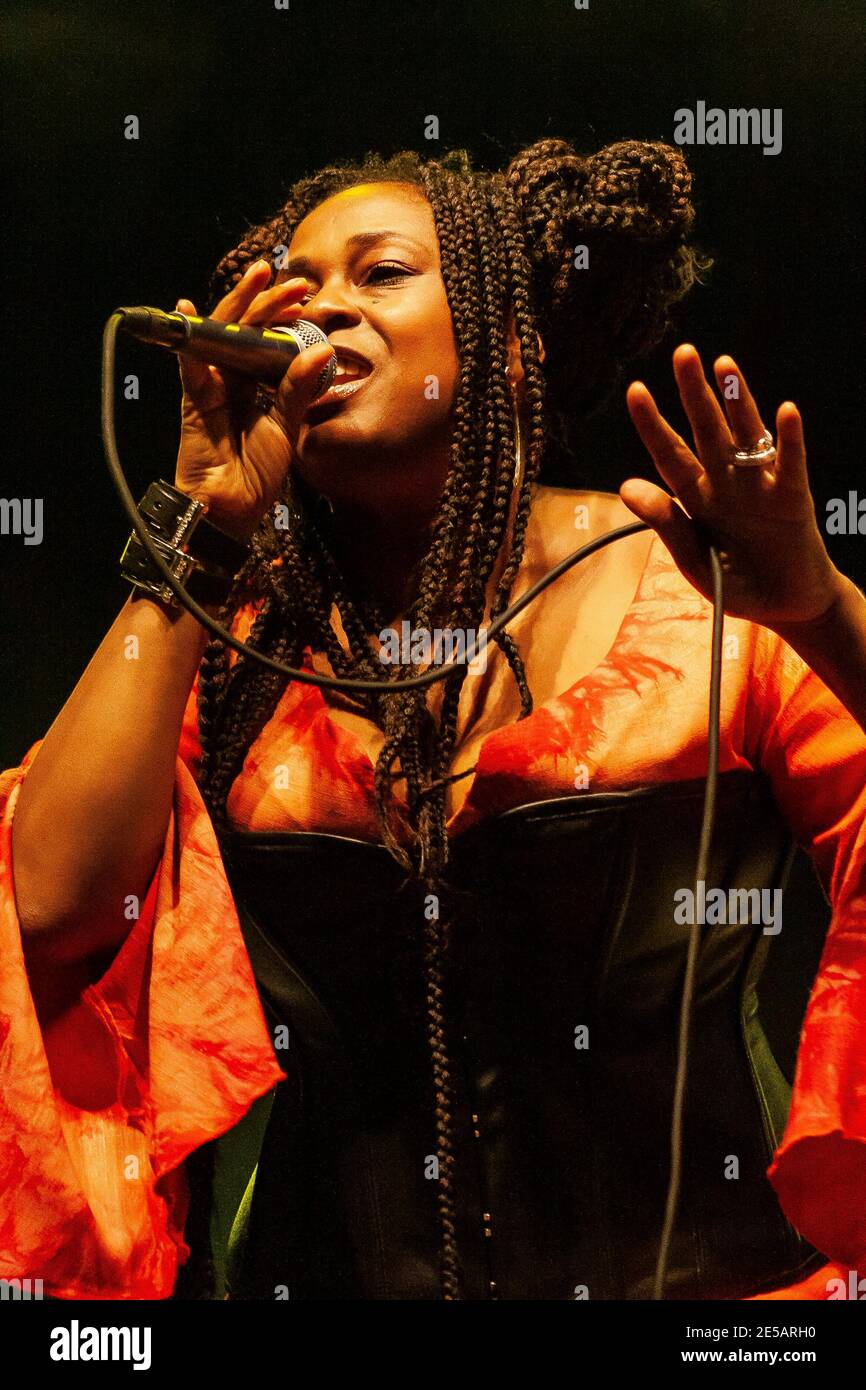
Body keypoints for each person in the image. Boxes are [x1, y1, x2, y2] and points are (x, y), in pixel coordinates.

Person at [2, 139, 866, 1301]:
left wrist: (818, 608)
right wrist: (200, 526)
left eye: (380, 272)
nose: (320, 310)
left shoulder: (692, 588)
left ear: (508, 343)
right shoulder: (231, 648)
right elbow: (52, 912)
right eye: (295, 288)